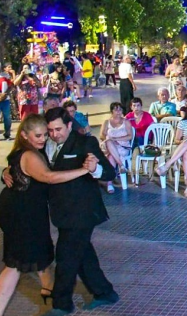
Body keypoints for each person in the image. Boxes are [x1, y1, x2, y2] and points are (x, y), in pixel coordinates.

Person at [0, 115, 95, 316]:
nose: (43, 138)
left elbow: (13, 170)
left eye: (45, 134)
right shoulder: (30, 155)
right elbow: (48, 177)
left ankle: (49, 292)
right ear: (24, 135)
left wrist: (5, 172)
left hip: (29, 210)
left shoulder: (28, 150)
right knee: (15, 264)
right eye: (38, 135)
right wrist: (83, 170)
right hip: (21, 213)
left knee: (41, 252)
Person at [40, 107, 118, 313]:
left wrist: (95, 169)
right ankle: (105, 292)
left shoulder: (85, 143)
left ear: (68, 125)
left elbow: (110, 172)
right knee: (83, 255)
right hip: (62, 212)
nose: (54, 134)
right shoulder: (45, 145)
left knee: (65, 257)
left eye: (58, 129)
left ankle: (61, 305)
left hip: (83, 212)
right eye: (50, 130)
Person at [99, 103, 134, 193]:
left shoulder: (126, 122)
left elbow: (130, 136)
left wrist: (116, 139)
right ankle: (121, 165)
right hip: (110, 145)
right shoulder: (106, 122)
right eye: (116, 110)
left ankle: (109, 184)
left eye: (120, 110)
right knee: (109, 143)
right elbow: (102, 135)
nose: (118, 112)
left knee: (111, 156)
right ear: (112, 111)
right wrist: (109, 139)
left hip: (123, 146)